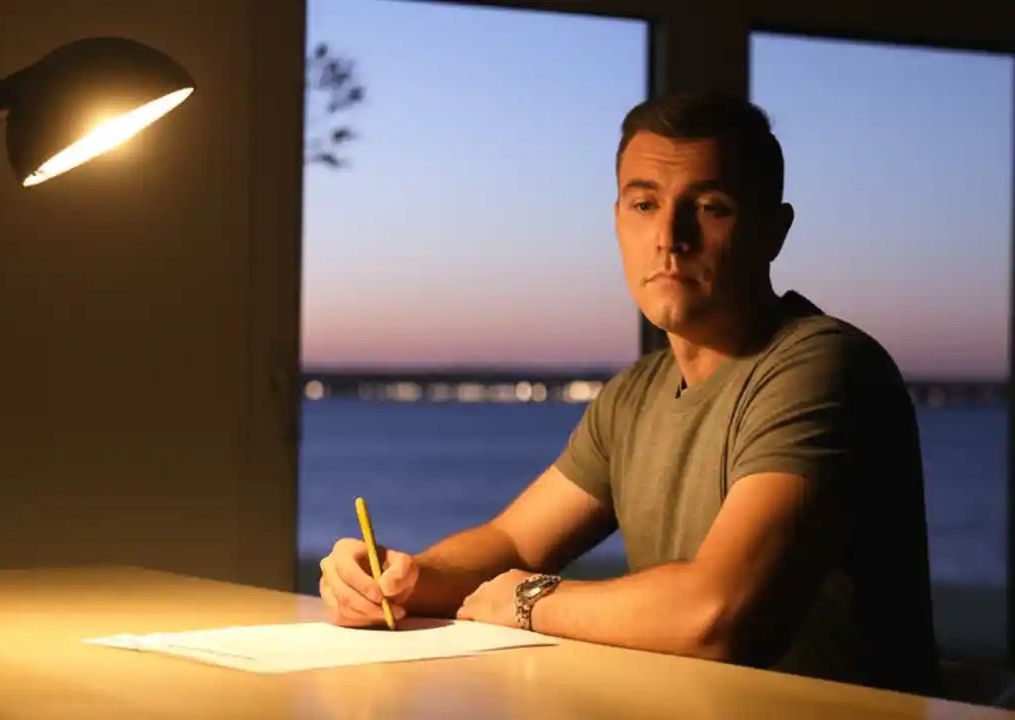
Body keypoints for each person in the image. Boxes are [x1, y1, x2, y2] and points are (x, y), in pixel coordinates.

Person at [317, 91, 940, 696]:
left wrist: (529, 599)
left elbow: (718, 614)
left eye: (711, 206)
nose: (671, 237)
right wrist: (398, 579)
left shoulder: (821, 366)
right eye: (645, 205)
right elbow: (512, 542)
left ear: (773, 231)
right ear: (617, 220)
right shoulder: (634, 395)